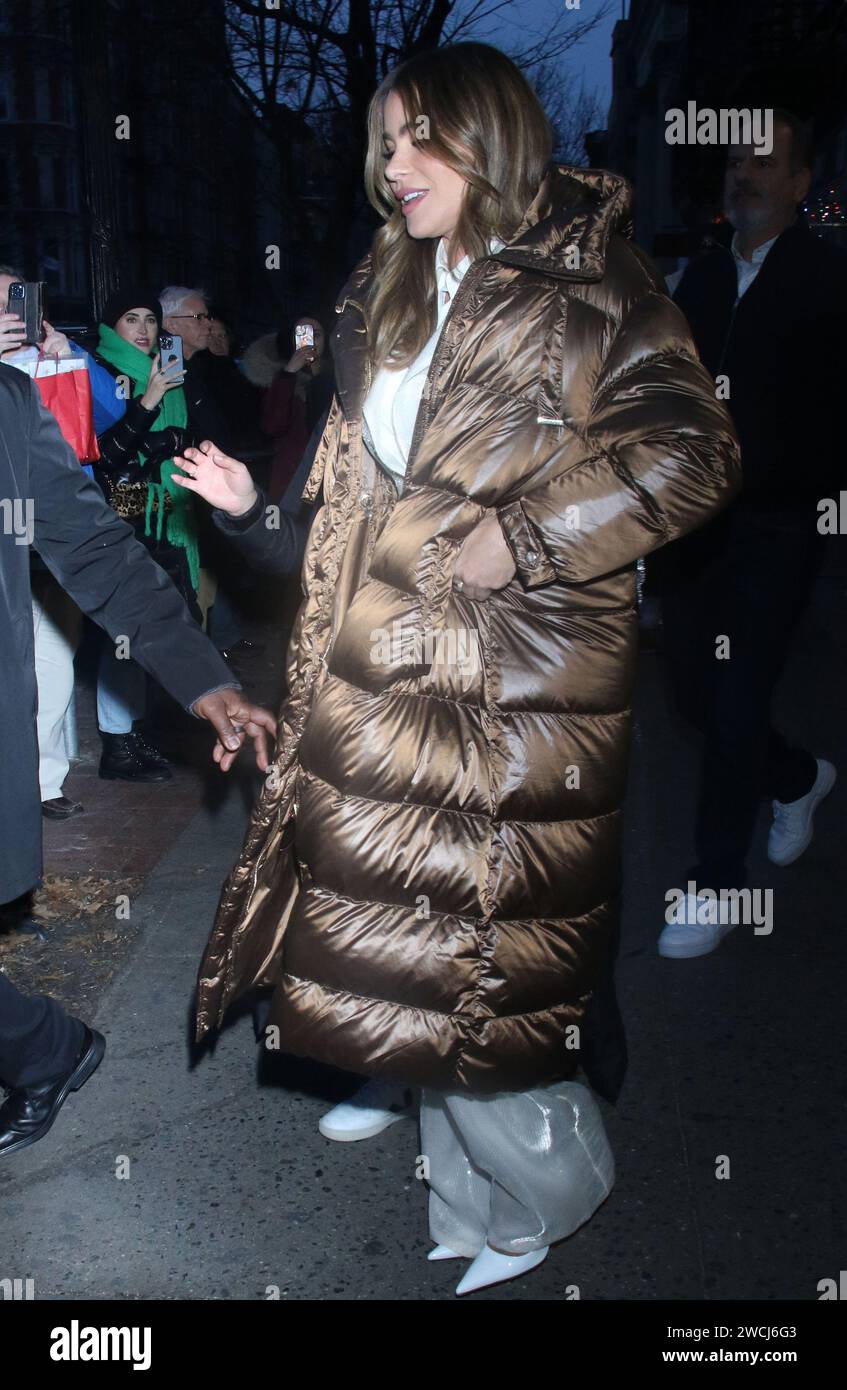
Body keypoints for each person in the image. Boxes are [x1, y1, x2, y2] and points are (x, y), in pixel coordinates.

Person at [190, 42, 740, 1294]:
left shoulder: (591, 280)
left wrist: (532, 536)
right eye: (384, 145)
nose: (391, 168)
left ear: (482, 139)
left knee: (481, 970)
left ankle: (553, 1183)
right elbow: (343, 507)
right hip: (384, 688)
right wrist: (247, 513)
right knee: (418, 966)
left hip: (513, 694)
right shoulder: (388, 287)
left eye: (414, 140)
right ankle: (471, 1205)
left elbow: (694, 450)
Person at [0, 362, 275, 1157]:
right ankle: (48, 1050)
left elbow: (96, 550)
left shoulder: (8, 405)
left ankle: (47, 1051)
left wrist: (203, 680)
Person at [656, 108, 847, 960]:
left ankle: (715, 885)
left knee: (734, 703)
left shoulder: (825, 278)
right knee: (693, 695)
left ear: (799, 185)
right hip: (694, 531)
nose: (744, 174)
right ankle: (798, 777)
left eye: (764, 162)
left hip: (777, 528)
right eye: (735, 160)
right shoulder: (695, 280)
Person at [0, 266, 123, 819]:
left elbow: (112, 412)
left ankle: (44, 783)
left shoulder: (56, 356)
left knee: (53, 658)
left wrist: (70, 353)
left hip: (55, 535)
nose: (10, 311)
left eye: (15, 299)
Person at [91, 286, 201, 781]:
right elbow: (107, 454)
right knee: (124, 628)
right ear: (112, 327)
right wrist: (152, 405)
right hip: (122, 508)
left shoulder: (167, 372)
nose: (142, 329)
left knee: (150, 625)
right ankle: (116, 743)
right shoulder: (101, 370)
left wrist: (167, 435)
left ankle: (134, 731)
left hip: (162, 508)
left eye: (150, 320)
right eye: (130, 319)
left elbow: (181, 441)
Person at [242, 314, 335, 501]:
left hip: (331, 472)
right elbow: (272, 426)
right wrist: (289, 373)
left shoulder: (337, 377)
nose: (309, 341)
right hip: (292, 476)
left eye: (316, 334)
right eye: (301, 334)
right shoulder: (277, 379)